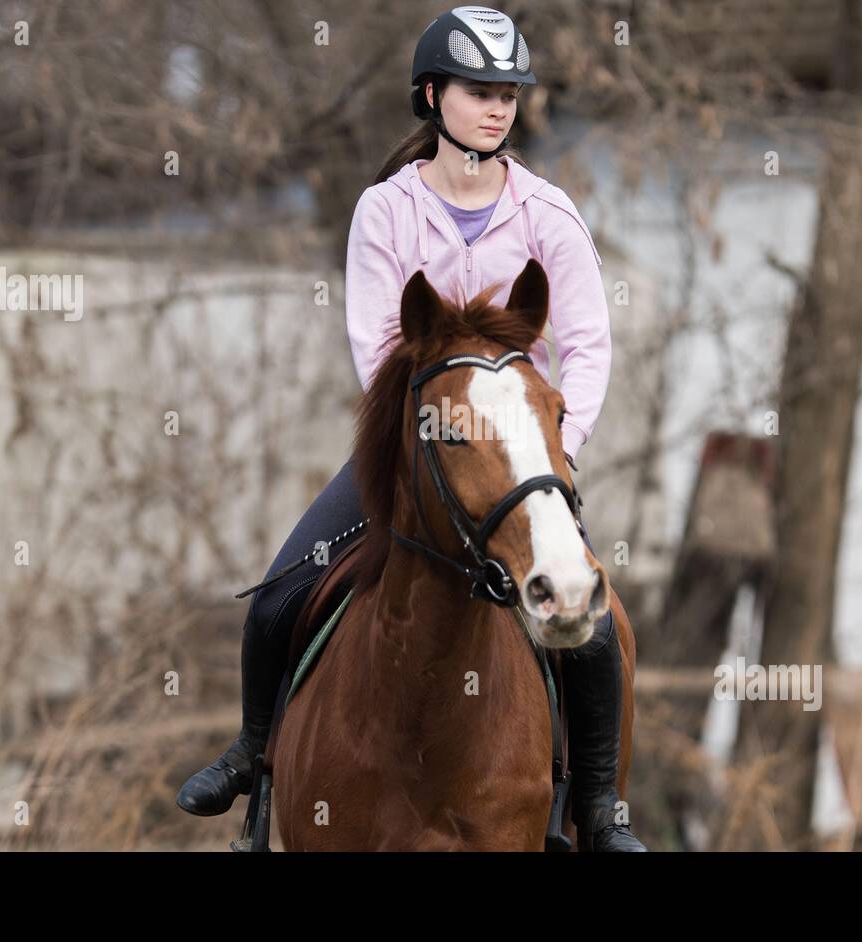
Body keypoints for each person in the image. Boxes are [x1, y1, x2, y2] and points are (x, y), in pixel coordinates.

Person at [176, 5, 646, 852]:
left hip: (519, 464)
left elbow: (587, 347)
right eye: (479, 91)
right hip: (411, 456)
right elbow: (377, 349)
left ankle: (601, 808)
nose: (498, 107)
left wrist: (554, 457)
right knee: (282, 591)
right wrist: (427, 449)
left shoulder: (552, 216)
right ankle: (255, 750)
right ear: (433, 96)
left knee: (595, 620)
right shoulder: (384, 213)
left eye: (508, 93)